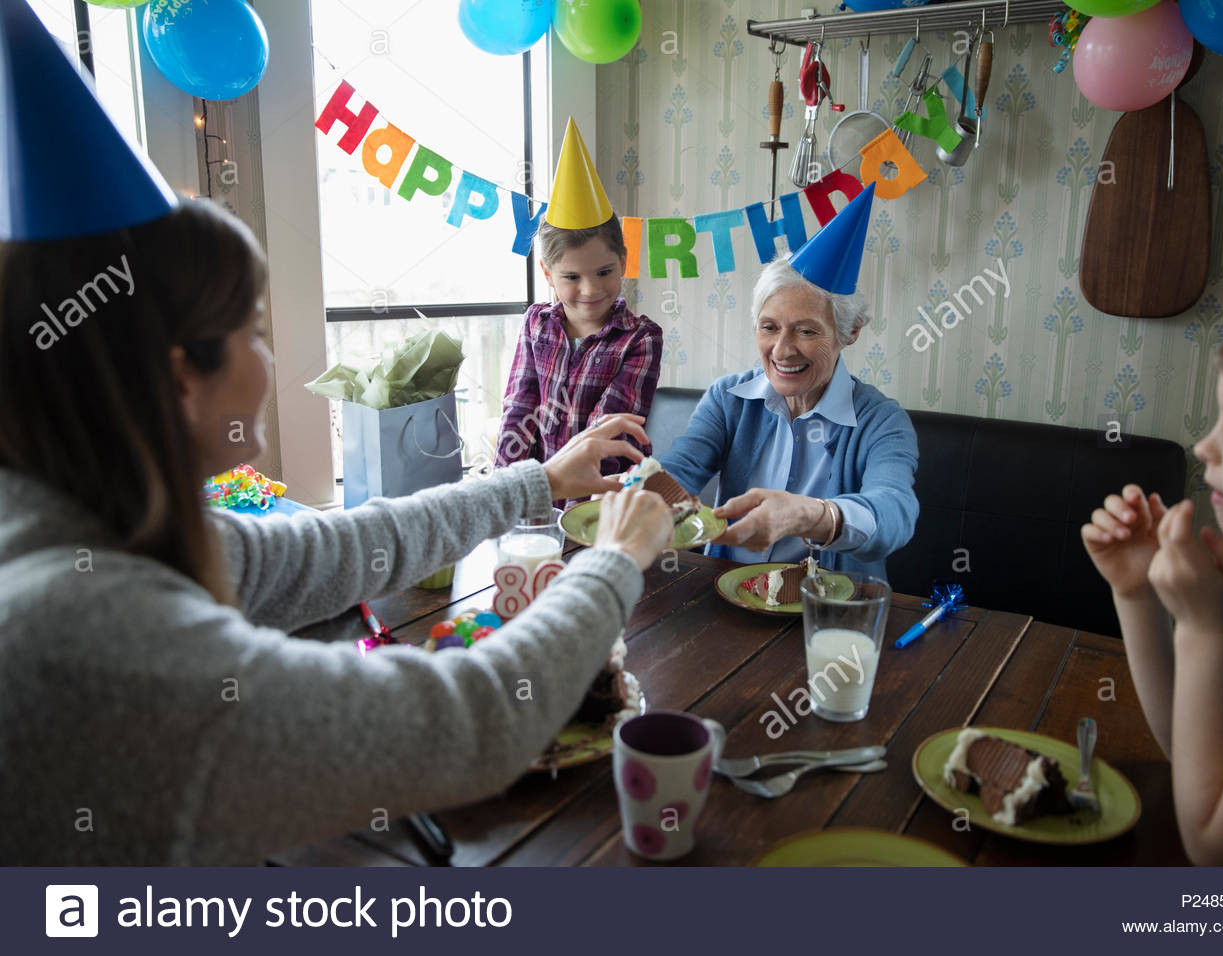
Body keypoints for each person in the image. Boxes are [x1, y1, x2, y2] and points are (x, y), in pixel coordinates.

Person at [0, 8, 673, 864]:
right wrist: (616, 563)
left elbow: (337, 548)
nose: (270, 356)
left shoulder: (95, 529)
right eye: (253, 329)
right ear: (179, 376)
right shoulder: (86, 628)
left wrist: (539, 481)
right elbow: (465, 722)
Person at [1081, 293, 1223, 865]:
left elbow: (1222, 849)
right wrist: (1136, 592)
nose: (1205, 447)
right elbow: (1197, 755)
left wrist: (1205, 631)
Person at [659, 186, 919, 579]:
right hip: (726, 595)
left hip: (828, 613)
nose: (782, 350)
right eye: (769, 327)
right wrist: (637, 493)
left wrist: (813, 515)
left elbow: (895, 513)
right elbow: (680, 471)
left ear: (850, 332)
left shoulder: (882, 421)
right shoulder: (727, 399)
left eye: (806, 332)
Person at [494, 120, 662, 501]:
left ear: (623, 260)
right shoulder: (537, 324)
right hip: (539, 497)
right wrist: (504, 496)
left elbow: (610, 431)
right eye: (572, 276)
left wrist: (573, 511)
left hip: (606, 498)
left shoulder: (640, 338)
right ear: (548, 274)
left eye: (604, 271)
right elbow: (519, 409)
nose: (591, 289)